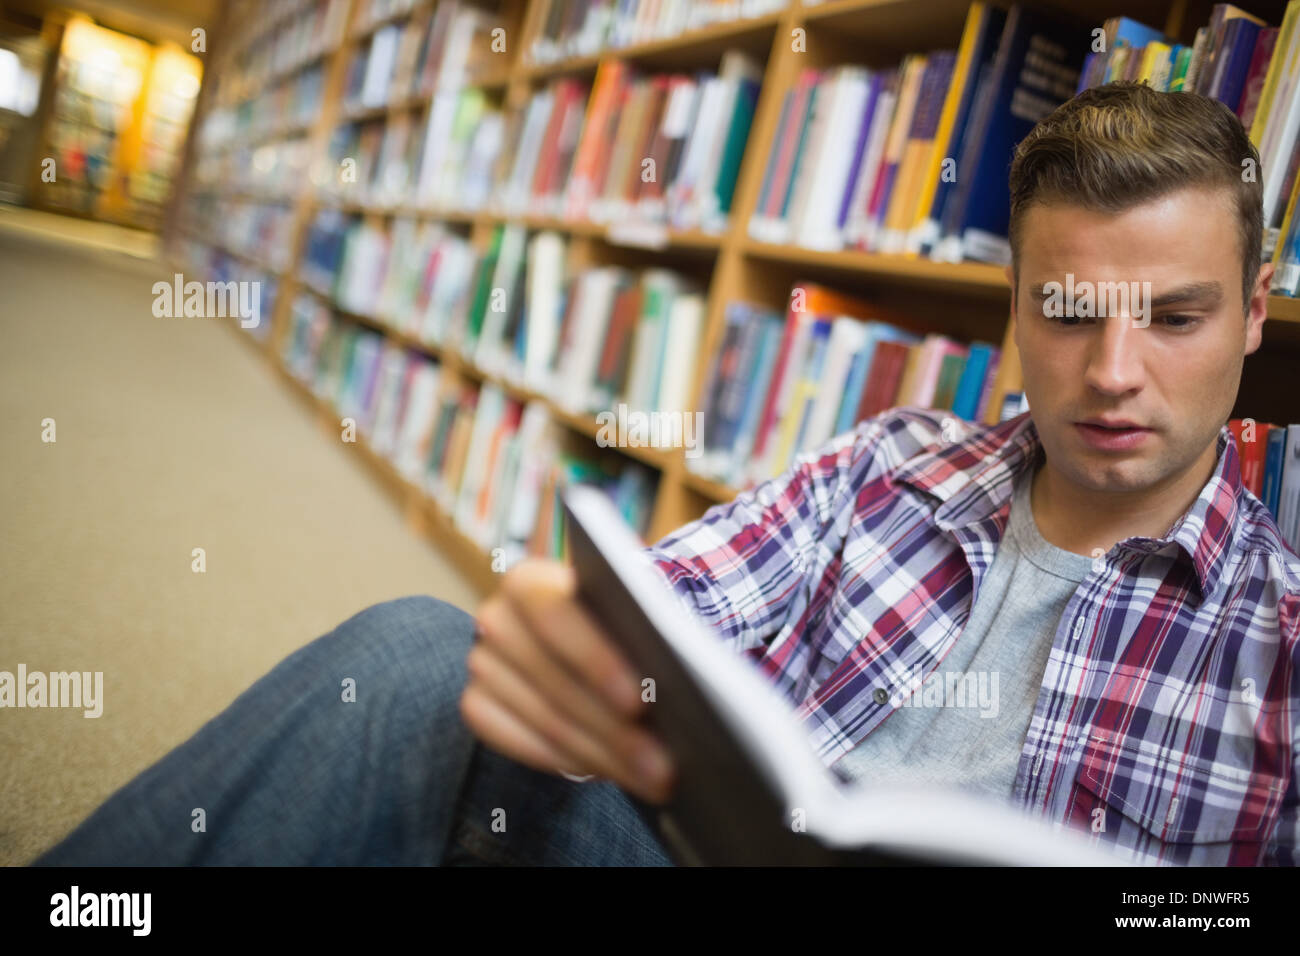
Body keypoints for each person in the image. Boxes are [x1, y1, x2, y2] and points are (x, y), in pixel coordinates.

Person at [33, 82, 1300, 867]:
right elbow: (669, 611)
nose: (1114, 371)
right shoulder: (889, 467)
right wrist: (568, 637)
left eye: (1175, 319)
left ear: (1253, 313)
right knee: (428, 653)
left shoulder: (1284, 651)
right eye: (1068, 312)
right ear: (1013, 309)